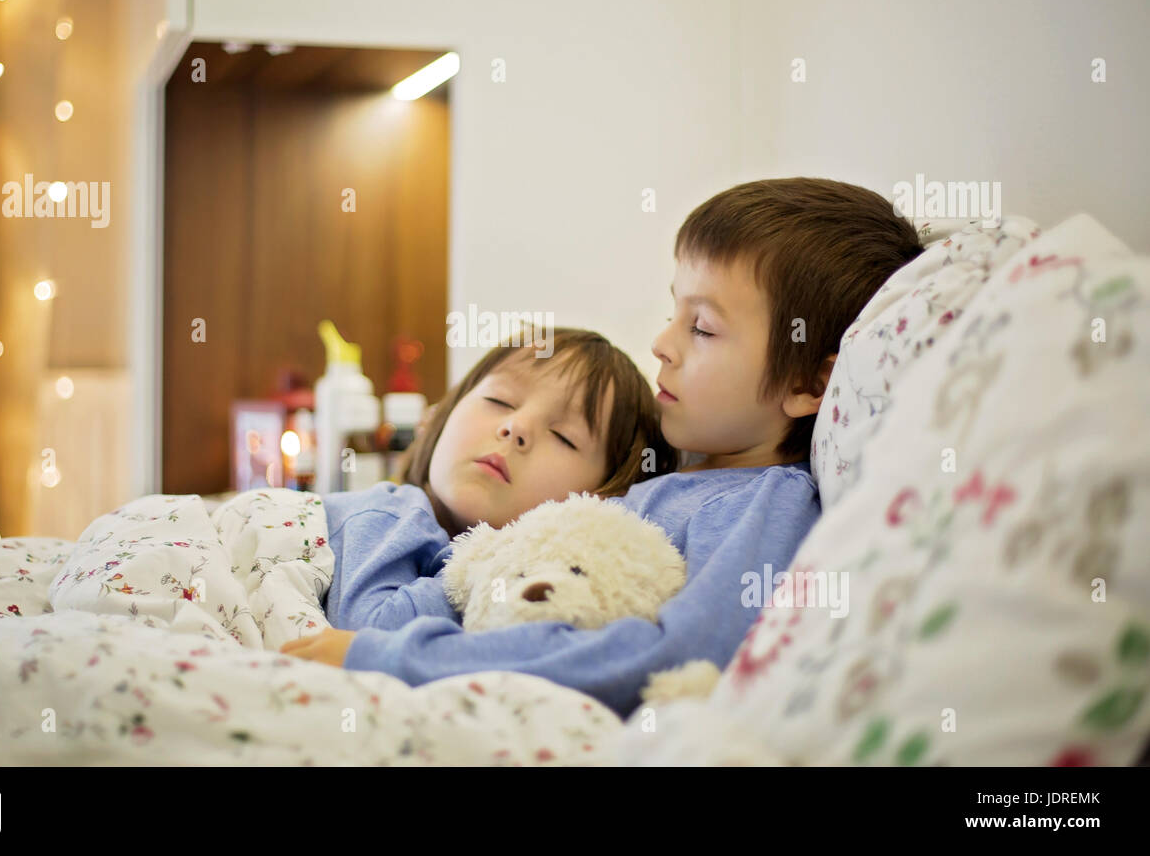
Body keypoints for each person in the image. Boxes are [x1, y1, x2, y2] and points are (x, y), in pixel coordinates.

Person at [286, 178, 925, 719]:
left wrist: (393, 657)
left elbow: (674, 656)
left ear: (806, 383)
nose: (663, 344)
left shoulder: (758, 505)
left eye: (702, 327)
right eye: (676, 313)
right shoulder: (672, 486)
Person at [319, 327, 678, 631]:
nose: (515, 427)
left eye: (564, 436)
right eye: (499, 400)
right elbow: (366, 633)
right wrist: (488, 569)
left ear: (602, 498)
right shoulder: (389, 512)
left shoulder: (559, 588)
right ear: (440, 417)